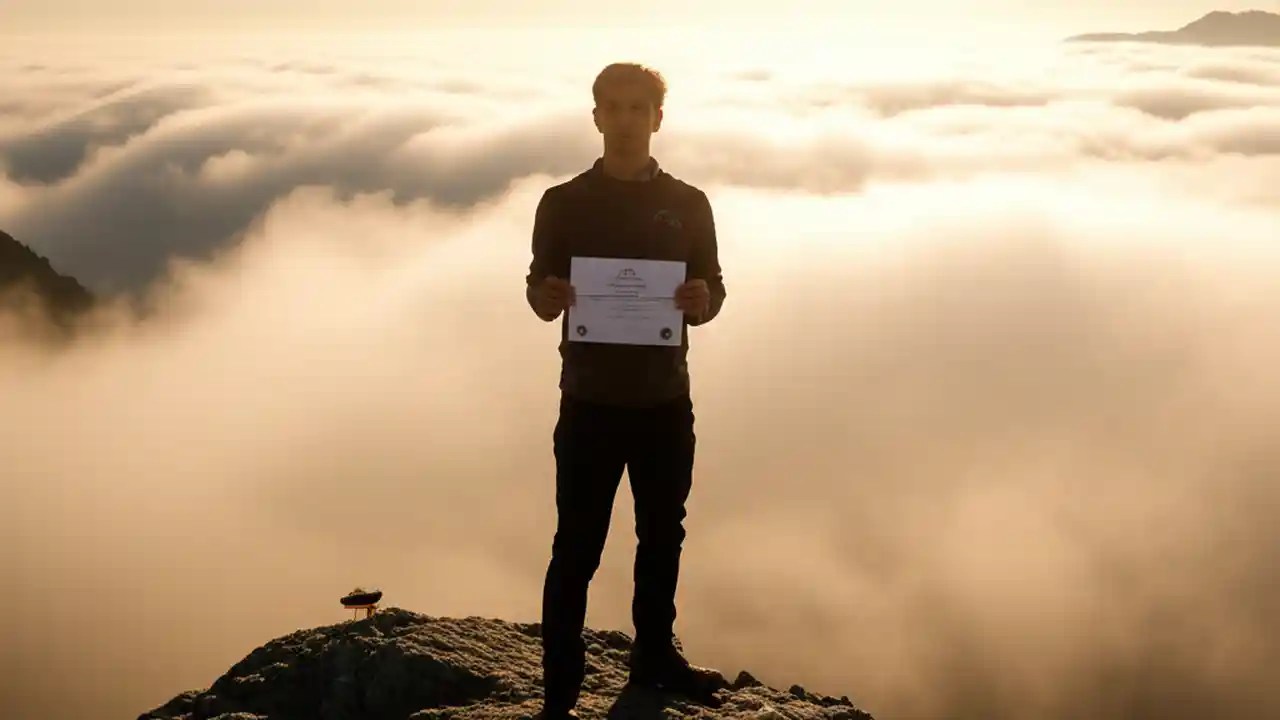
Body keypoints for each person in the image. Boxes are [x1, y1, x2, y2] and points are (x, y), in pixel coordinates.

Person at [525, 62, 727, 719]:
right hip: (589, 403)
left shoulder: (690, 204)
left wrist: (700, 302)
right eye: (613, 107)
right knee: (577, 546)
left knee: (662, 535)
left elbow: (714, 291)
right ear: (595, 116)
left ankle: (654, 657)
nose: (625, 119)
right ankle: (559, 689)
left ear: (657, 118)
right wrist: (547, 297)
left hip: (664, 403)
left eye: (638, 108)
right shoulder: (563, 203)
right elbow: (536, 293)